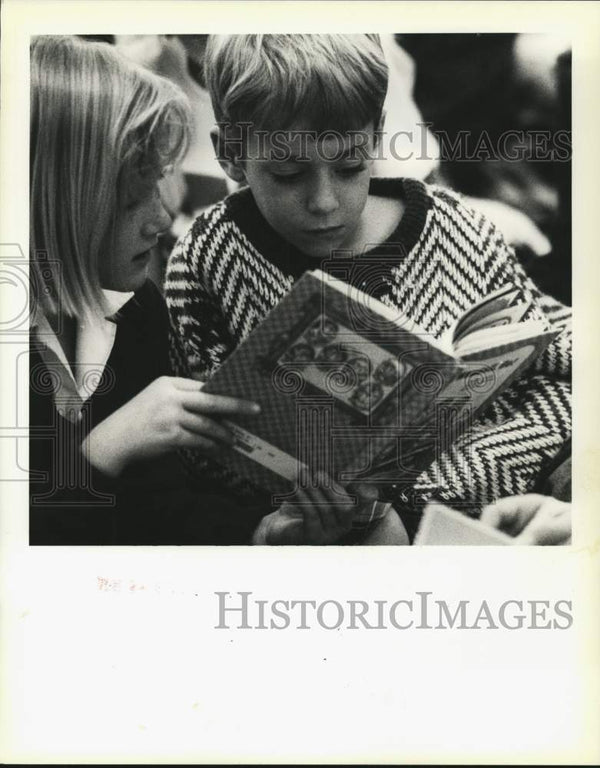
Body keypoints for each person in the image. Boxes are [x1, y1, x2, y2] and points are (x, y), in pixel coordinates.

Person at [164, 34, 572, 540]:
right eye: (288, 175)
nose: (324, 202)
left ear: (376, 137)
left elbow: (561, 382)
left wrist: (413, 507)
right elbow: (201, 448)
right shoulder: (207, 258)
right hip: (312, 531)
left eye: (350, 167)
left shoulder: (456, 229)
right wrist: (292, 509)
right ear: (230, 155)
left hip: (493, 510)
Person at [29, 35, 392, 546]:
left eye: (160, 187)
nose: (159, 219)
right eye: (134, 199)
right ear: (60, 201)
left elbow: (159, 514)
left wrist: (261, 535)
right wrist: (101, 452)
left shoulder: (137, 309)